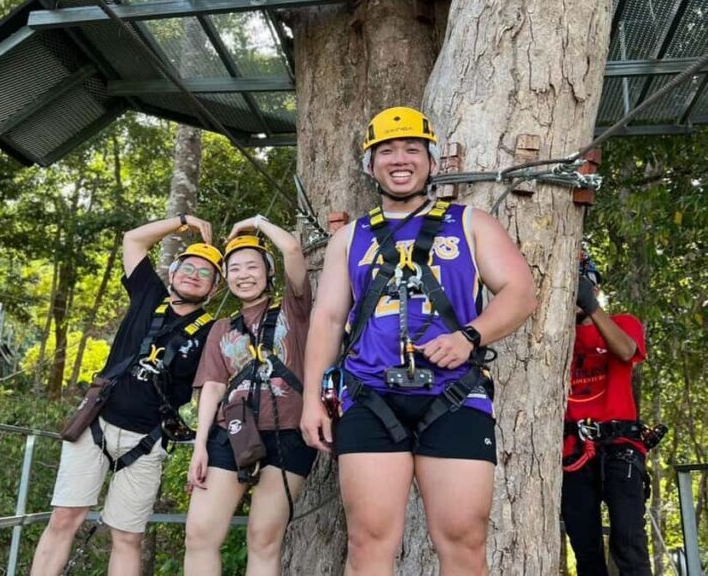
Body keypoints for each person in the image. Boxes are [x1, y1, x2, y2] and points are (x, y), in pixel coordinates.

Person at [300, 106, 537, 575]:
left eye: (412, 149)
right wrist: (312, 401)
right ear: (370, 165)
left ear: (431, 160)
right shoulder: (350, 238)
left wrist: (470, 336)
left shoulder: (470, 223)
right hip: (368, 393)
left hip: (454, 393)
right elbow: (327, 319)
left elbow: (521, 292)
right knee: (368, 542)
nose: (400, 159)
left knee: (464, 538)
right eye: (386, 151)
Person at [31, 214, 221, 576]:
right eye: (187, 267)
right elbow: (133, 240)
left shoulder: (213, 332)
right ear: (173, 273)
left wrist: (203, 446)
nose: (193, 275)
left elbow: (212, 389)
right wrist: (183, 221)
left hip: (148, 439)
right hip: (96, 424)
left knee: (128, 536)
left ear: (213, 290)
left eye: (204, 273)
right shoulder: (149, 295)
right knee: (64, 518)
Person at [184, 216, 316, 576]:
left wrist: (257, 223)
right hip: (232, 431)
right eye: (235, 269)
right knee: (199, 534)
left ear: (268, 272)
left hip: (288, 432)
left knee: (263, 538)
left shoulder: (294, 309)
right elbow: (213, 387)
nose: (244, 275)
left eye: (252, 266)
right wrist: (200, 446)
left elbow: (292, 249)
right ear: (226, 278)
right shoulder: (221, 329)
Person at [561, 253, 655, 576]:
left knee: (628, 541)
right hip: (574, 452)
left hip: (620, 448)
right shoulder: (556, 339)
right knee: (585, 549)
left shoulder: (623, 324)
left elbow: (627, 351)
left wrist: (591, 306)